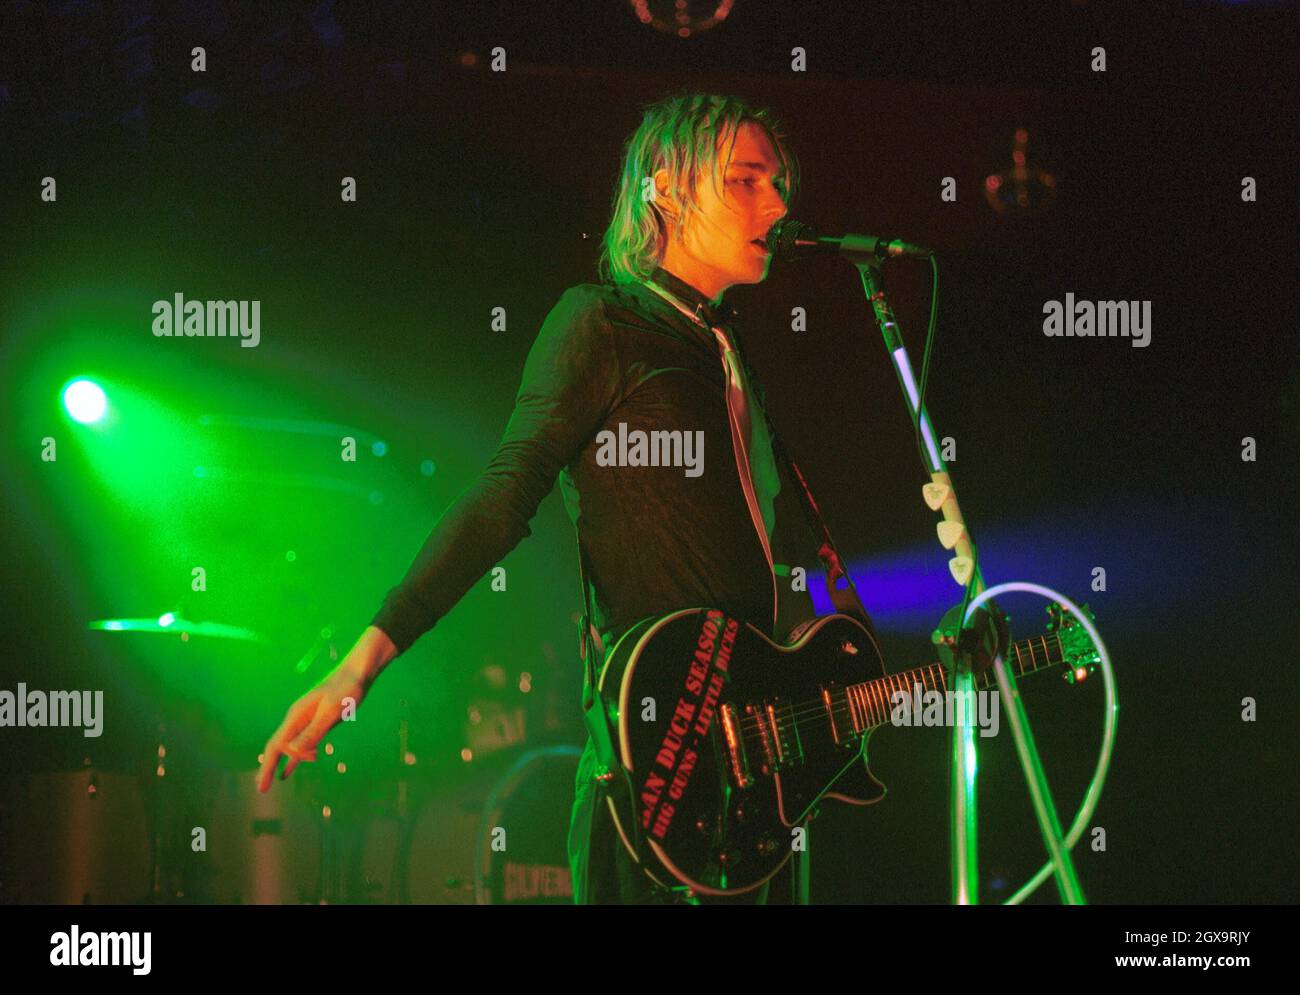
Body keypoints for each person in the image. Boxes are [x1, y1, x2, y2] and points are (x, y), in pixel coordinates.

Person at [258, 92, 820, 904]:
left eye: (779, 183)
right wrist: (365, 658)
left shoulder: (729, 352)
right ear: (664, 187)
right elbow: (502, 497)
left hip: (749, 773)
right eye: (746, 180)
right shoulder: (600, 324)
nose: (778, 202)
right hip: (653, 761)